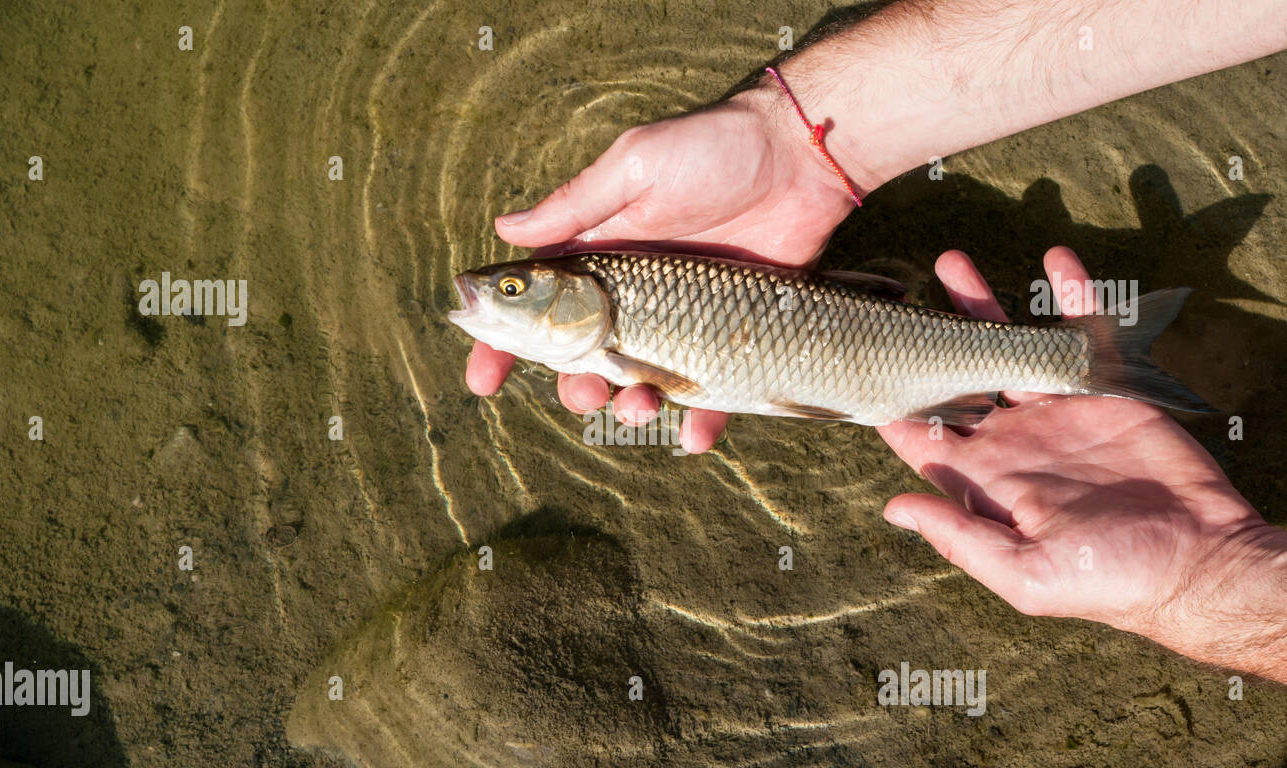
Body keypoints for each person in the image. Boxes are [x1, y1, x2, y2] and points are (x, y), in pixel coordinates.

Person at [464, 0, 1287, 681]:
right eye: (511, 289)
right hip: (866, 355)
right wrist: (794, 138)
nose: (493, 295)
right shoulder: (620, 321)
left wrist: (1209, 580)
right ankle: (1088, 360)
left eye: (512, 290)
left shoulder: (624, 335)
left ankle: (1089, 360)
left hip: (866, 358)